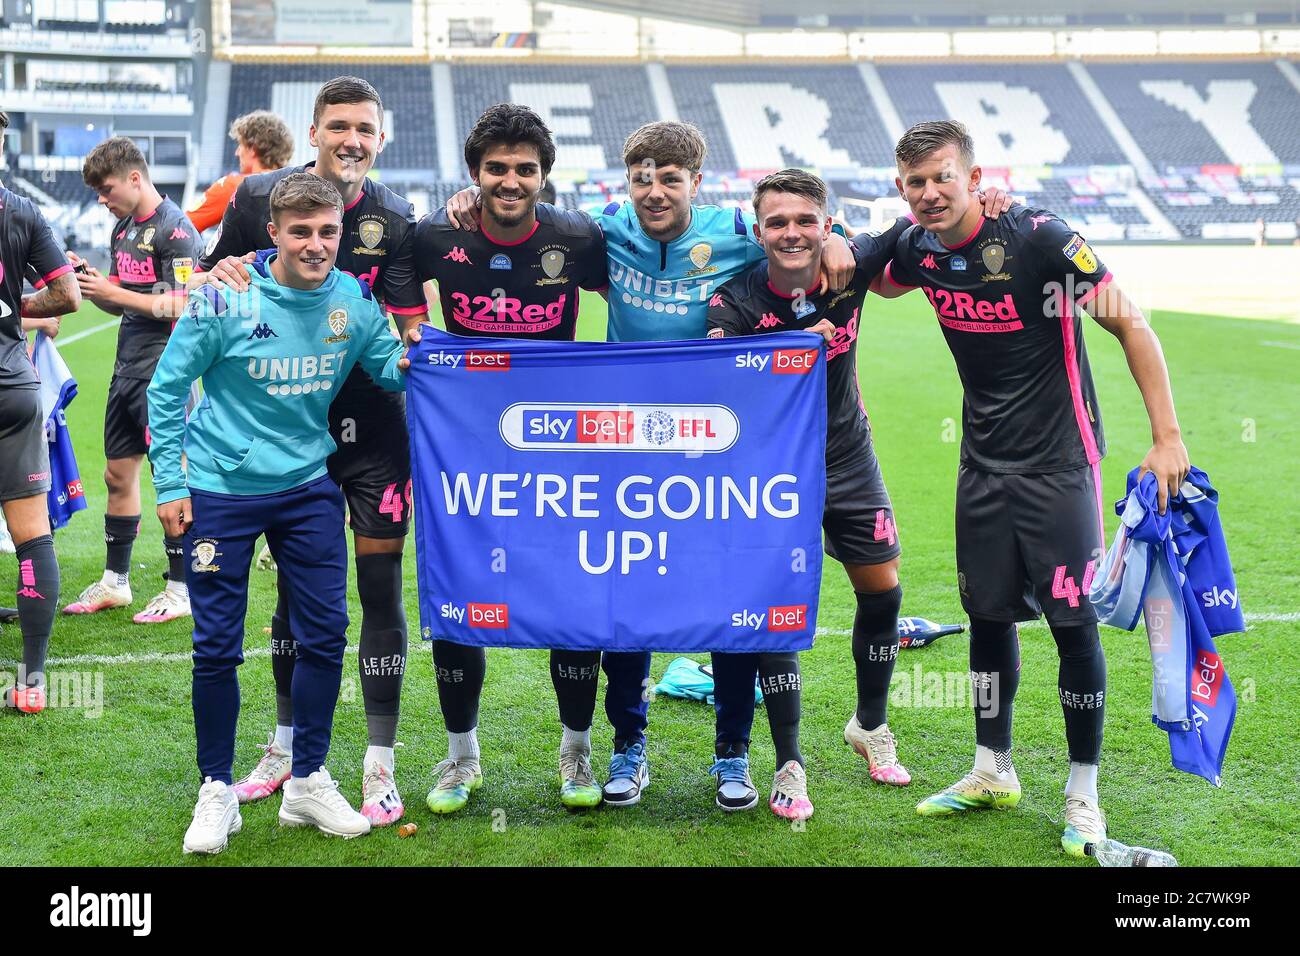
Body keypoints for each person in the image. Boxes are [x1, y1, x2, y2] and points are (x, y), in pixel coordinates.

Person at [447, 121, 1011, 807]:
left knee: (807, 594)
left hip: (772, 450)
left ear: (697, 184)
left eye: (671, 178)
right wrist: (465, 198)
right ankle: (632, 746)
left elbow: (844, 234)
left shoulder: (747, 236)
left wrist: (833, 236)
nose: (655, 191)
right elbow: (534, 227)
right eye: (642, 179)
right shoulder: (605, 234)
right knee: (642, 594)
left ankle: (817, 735)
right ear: (627, 186)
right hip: (649, 447)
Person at [885, 121, 1188, 856]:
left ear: (972, 174)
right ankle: (992, 768)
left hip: (1059, 465)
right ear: (900, 187)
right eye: (915, 182)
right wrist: (834, 237)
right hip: (981, 466)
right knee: (986, 617)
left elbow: (1131, 326)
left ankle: (1084, 792)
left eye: (942, 177)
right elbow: (866, 271)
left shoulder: (1041, 241)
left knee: (1071, 624)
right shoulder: (914, 248)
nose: (930, 193)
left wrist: (1167, 436)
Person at [150, 173, 413, 854]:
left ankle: (306, 781)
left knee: (326, 635)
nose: (316, 244)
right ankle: (216, 790)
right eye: (301, 231)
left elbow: (399, 372)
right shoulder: (222, 297)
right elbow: (168, 387)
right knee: (216, 646)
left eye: (328, 231)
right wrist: (171, 484)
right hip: (218, 490)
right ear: (273, 234)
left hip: (306, 488)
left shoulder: (352, 306)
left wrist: (475, 363)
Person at [198, 76, 428, 826]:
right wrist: (219, 271)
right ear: (315, 131)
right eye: (339, 127)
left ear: (381, 138)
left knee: (379, 591)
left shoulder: (394, 218)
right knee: (297, 599)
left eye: (365, 128)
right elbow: (207, 287)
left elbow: (397, 330)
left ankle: (379, 763)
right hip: (286, 428)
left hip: (373, 433)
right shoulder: (254, 196)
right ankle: (290, 748)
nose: (352, 140)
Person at [386, 103, 608, 813]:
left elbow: (643, 296)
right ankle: (461, 758)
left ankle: (576, 753)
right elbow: (404, 320)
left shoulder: (577, 236)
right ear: (474, 173)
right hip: (468, 445)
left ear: (545, 175)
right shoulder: (433, 236)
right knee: (460, 595)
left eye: (525, 169)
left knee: (574, 600)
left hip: (562, 445)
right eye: (496, 169)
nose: (510, 181)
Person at [706, 168, 915, 817]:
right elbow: (723, 381)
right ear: (759, 227)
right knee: (775, 609)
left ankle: (870, 724)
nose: (791, 233)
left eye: (806, 221)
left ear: (826, 224)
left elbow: (921, 226)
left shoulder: (850, 266)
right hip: (767, 469)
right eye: (777, 222)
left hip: (847, 454)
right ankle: (790, 762)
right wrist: (792, 346)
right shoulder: (732, 301)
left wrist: (990, 198)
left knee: (883, 591)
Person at [65, 136, 203, 625]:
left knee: (175, 478)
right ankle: (116, 582)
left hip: (165, 372)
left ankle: (182, 587)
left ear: (135, 178)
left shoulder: (177, 231)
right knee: (117, 475)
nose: (102, 200)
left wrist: (114, 292)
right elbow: (121, 295)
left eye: (106, 189)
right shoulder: (123, 228)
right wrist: (95, 284)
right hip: (126, 368)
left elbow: (186, 306)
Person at [0, 110, 81, 712]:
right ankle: (31, 684)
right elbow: (68, 295)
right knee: (32, 535)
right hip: (11, 382)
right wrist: (12, 307)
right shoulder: (21, 211)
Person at [186, 111, 294, 233]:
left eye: (240, 145)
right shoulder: (295, 187)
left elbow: (183, 227)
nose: (237, 153)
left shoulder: (234, 185)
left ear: (253, 148)